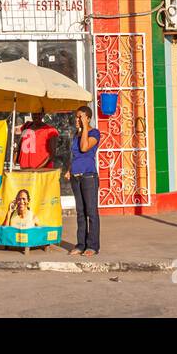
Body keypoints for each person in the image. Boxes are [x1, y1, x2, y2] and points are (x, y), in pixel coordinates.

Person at [64, 105, 101, 256]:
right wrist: (69, 169)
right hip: (76, 176)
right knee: (80, 212)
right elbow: (75, 155)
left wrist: (85, 127)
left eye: (80, 117)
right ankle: (81, 244)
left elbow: (85, 148)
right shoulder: (75, 135)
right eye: (76, 117)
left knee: (91, 212)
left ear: (88, 118)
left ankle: (92, 246)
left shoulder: (94, 133)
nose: (77, 120)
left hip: (88, 177)